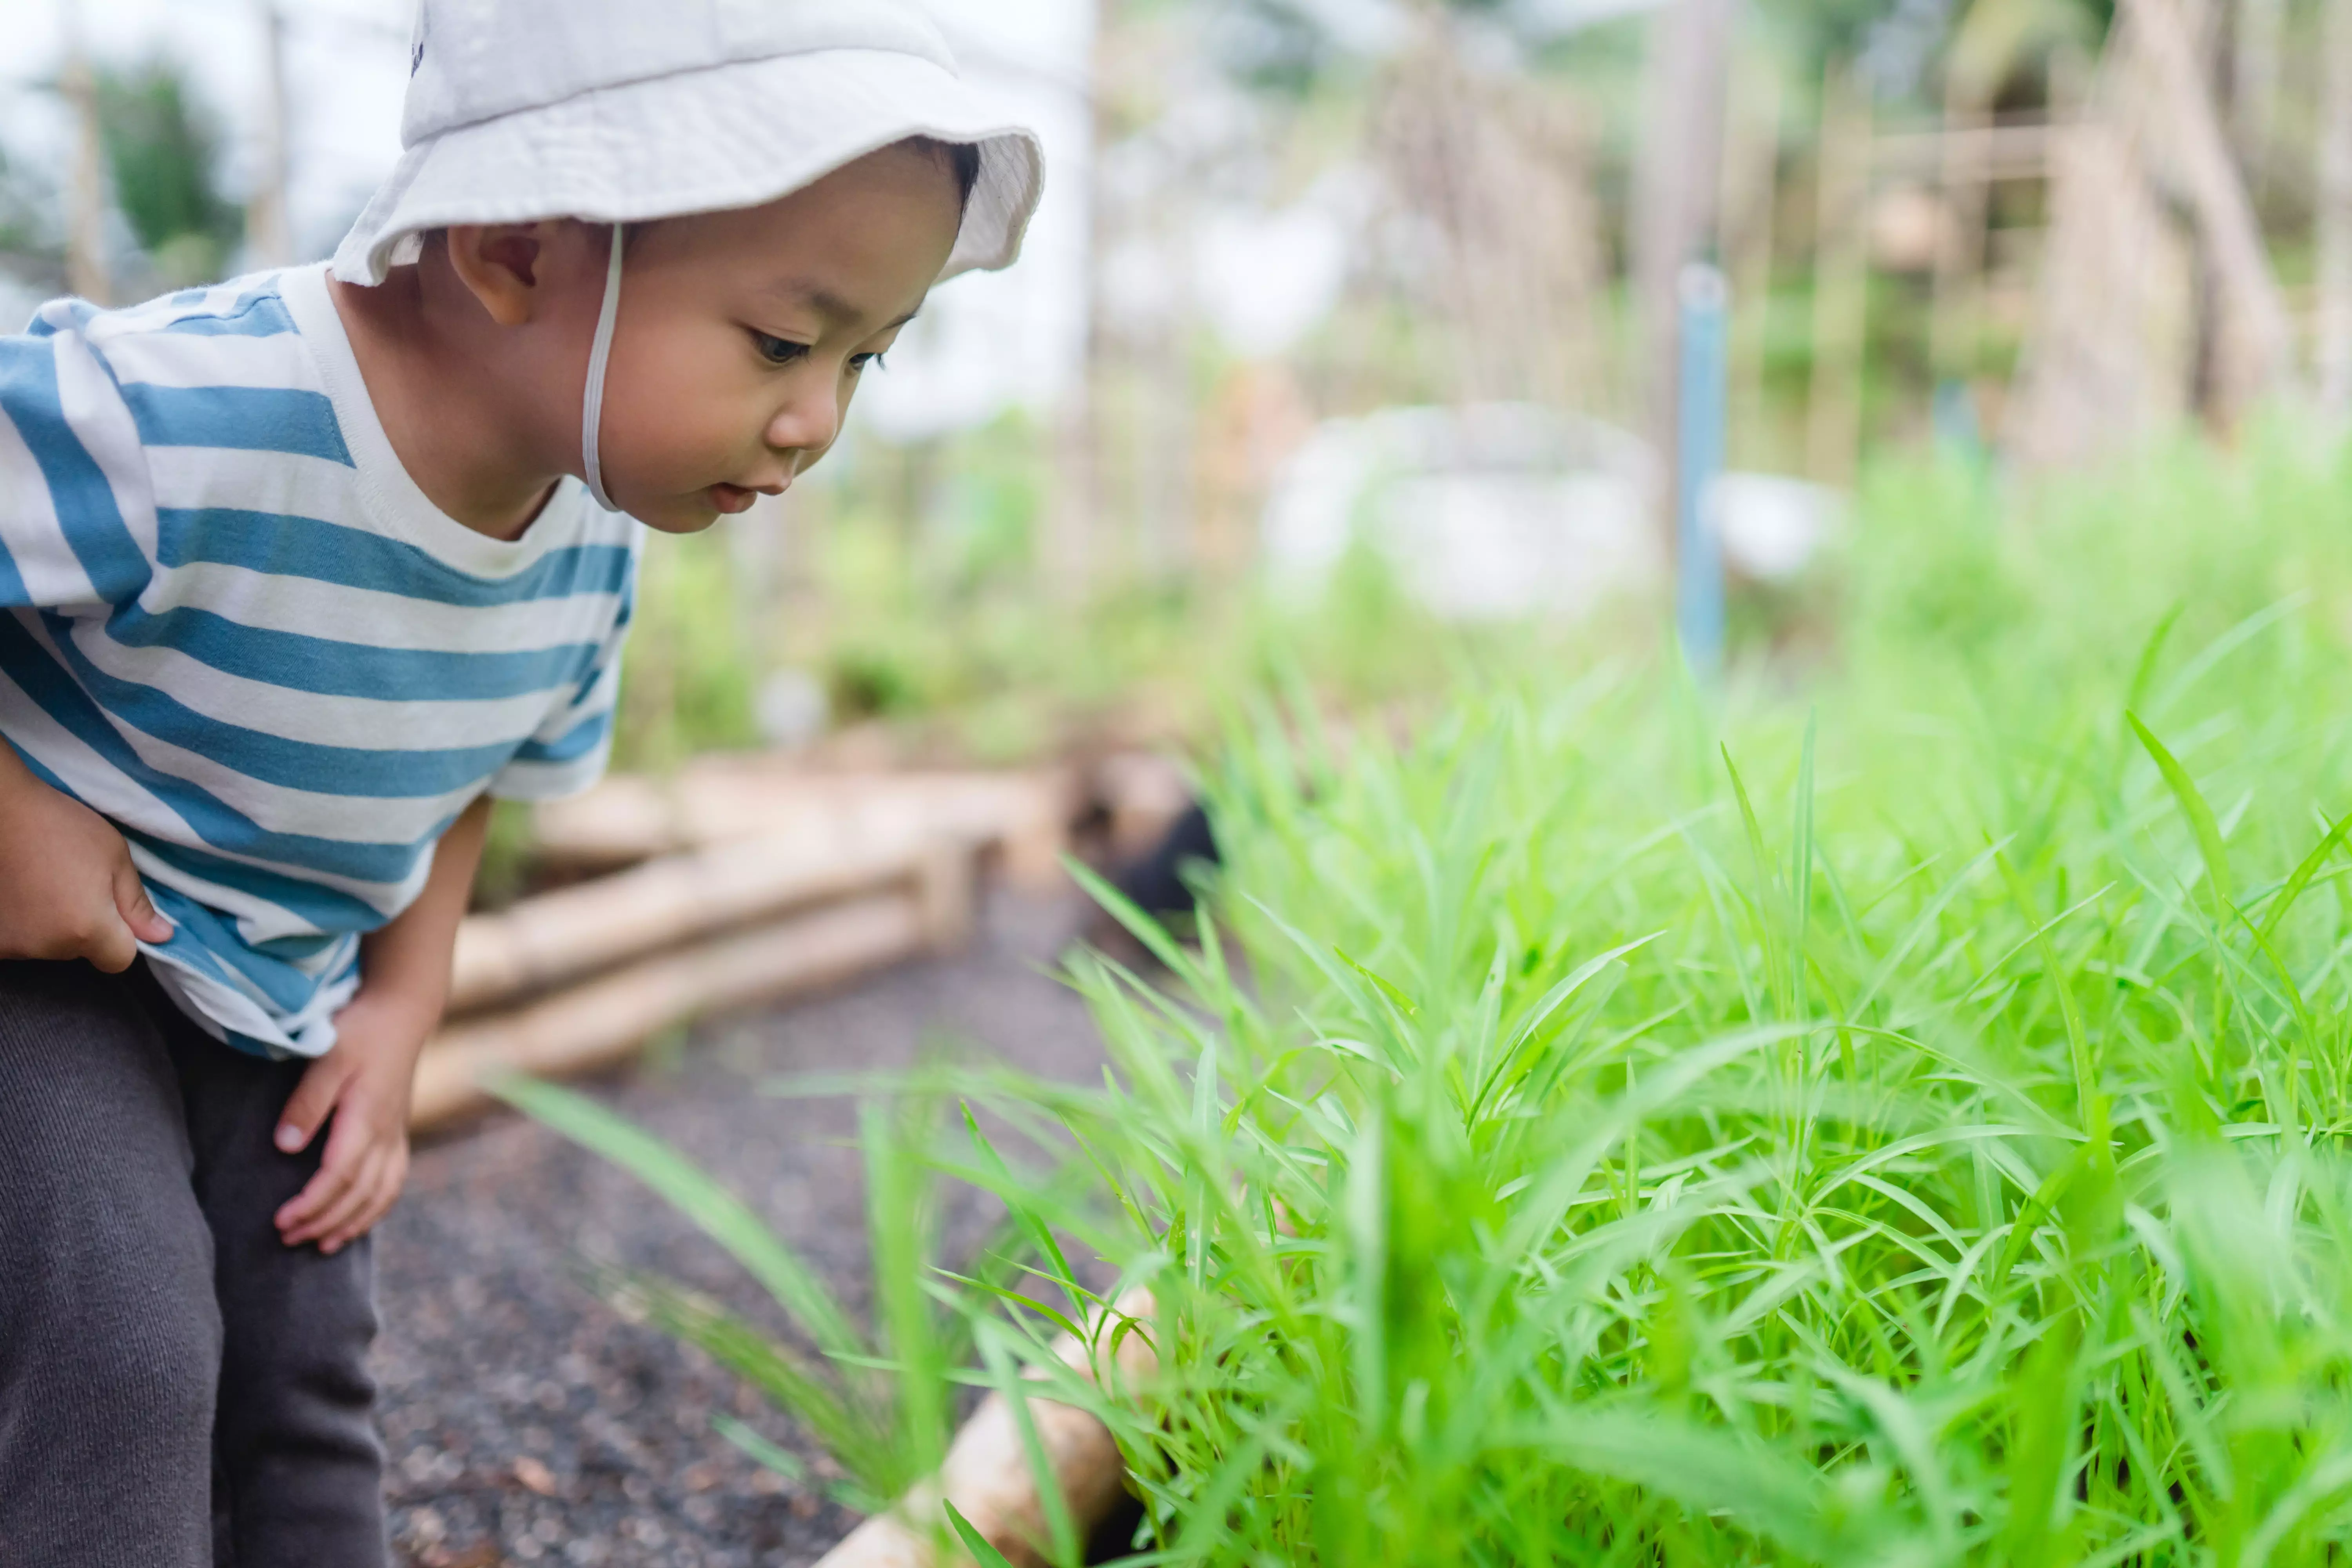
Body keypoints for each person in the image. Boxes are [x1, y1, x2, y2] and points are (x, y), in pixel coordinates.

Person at [0, 3, 1042, 1562]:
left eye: (862, 360)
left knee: (303, 1367)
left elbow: (467, 775)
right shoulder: (176, 420)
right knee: (128, 1343)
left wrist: (402, 1011)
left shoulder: (587, 541)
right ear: (513, 249)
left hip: (276, 989)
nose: (818, 420)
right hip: (50, 976)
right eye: (780, 340)